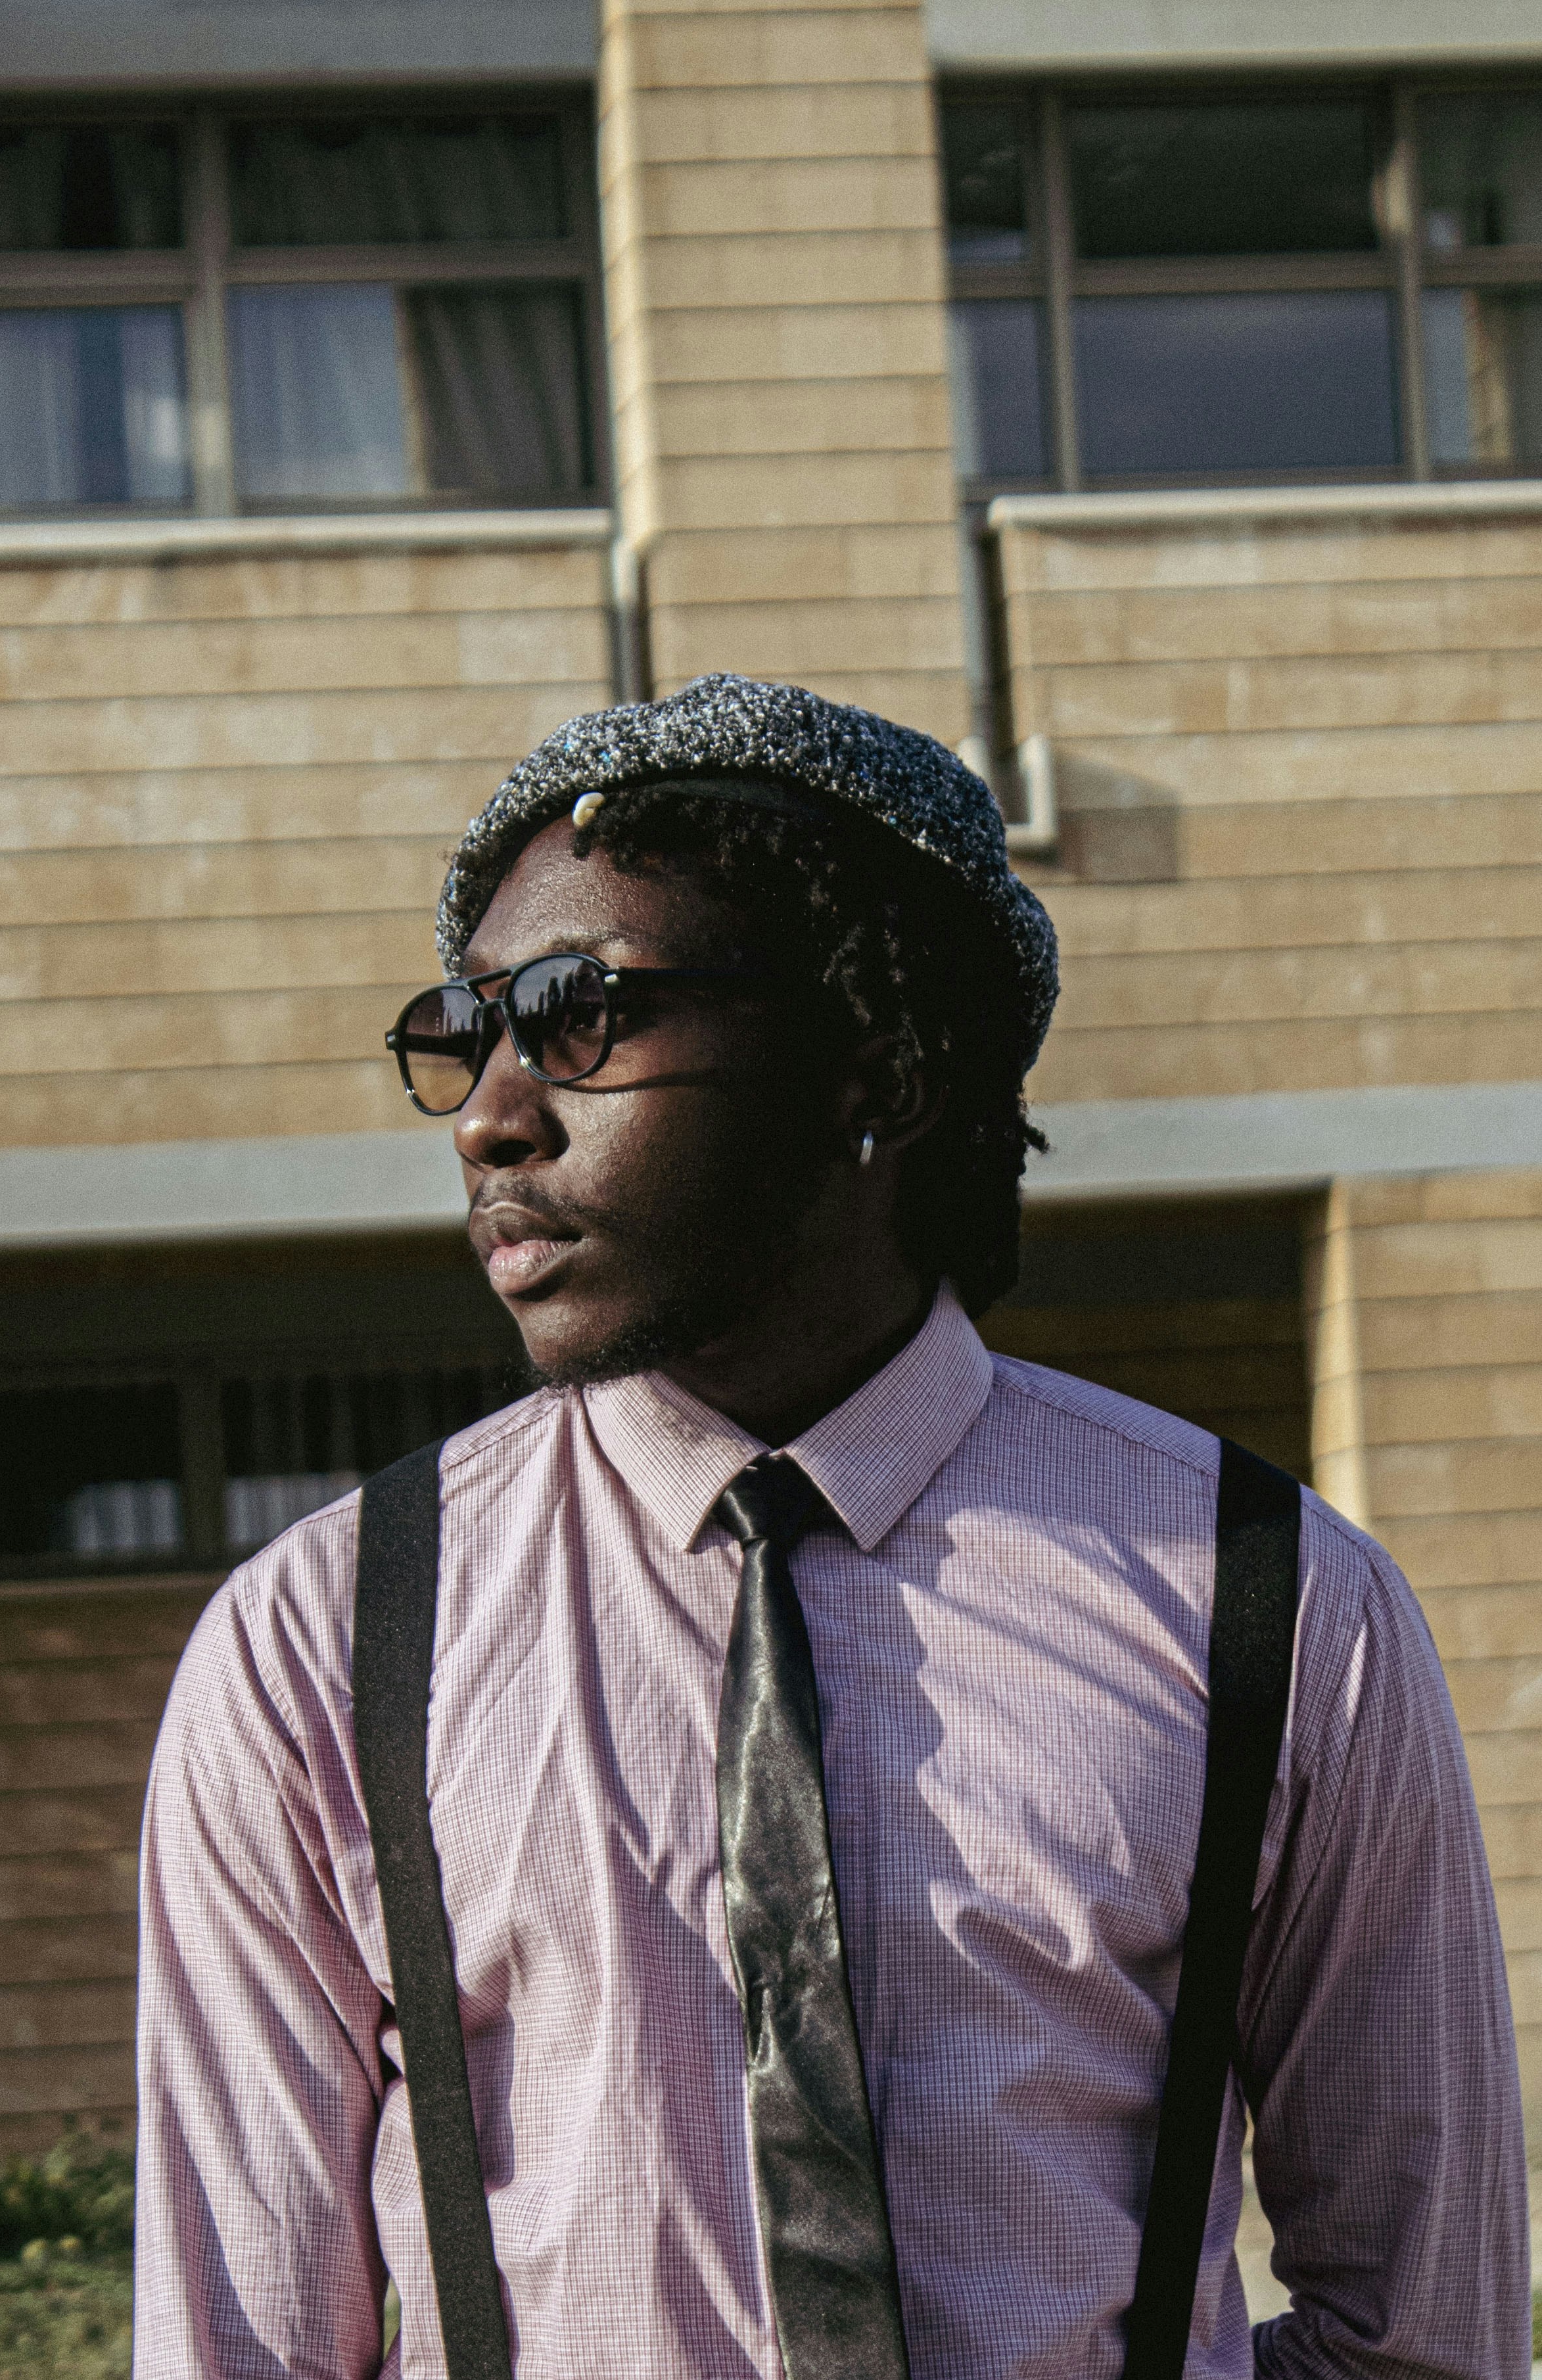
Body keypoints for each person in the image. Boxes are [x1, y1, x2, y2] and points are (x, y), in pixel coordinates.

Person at [135, 674, 1526, 2380]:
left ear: (876, 1060)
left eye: (579, 1013)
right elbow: (238, 2353)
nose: (494, 1113)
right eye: (466, 1030)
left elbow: (1422, 2331)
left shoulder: (1270, 1599)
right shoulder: (324, 1640)